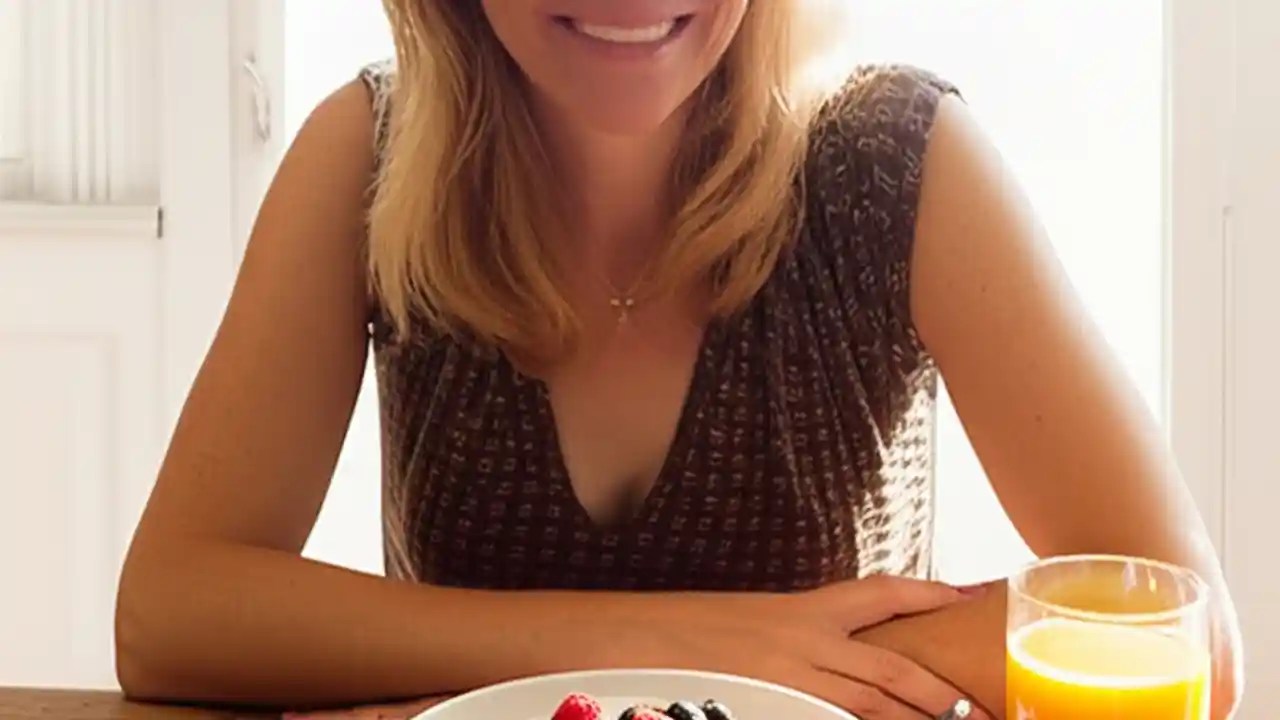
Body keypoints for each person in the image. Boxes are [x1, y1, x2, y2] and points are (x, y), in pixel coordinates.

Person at [114, 1, 1242, 718]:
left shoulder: (897, 161)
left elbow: (1184, 631)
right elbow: (170, 615)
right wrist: (684, 640)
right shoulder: (365, 154)